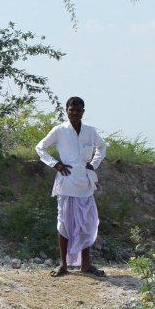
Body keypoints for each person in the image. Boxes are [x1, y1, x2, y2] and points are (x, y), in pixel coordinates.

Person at [35, 96, 107, 277]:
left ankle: (86, 264)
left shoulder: (90, 131)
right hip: (66, 182)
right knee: (64, 223)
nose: (74, 113)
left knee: (86, 223)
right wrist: (55, 164)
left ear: (83, 111)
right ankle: (63, 264)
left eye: (78, 110)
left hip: (85, 182)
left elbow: (102, 147)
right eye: (71, 110)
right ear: (66, 111)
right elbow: (40, 148)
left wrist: (94, 163)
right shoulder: (59, 130)